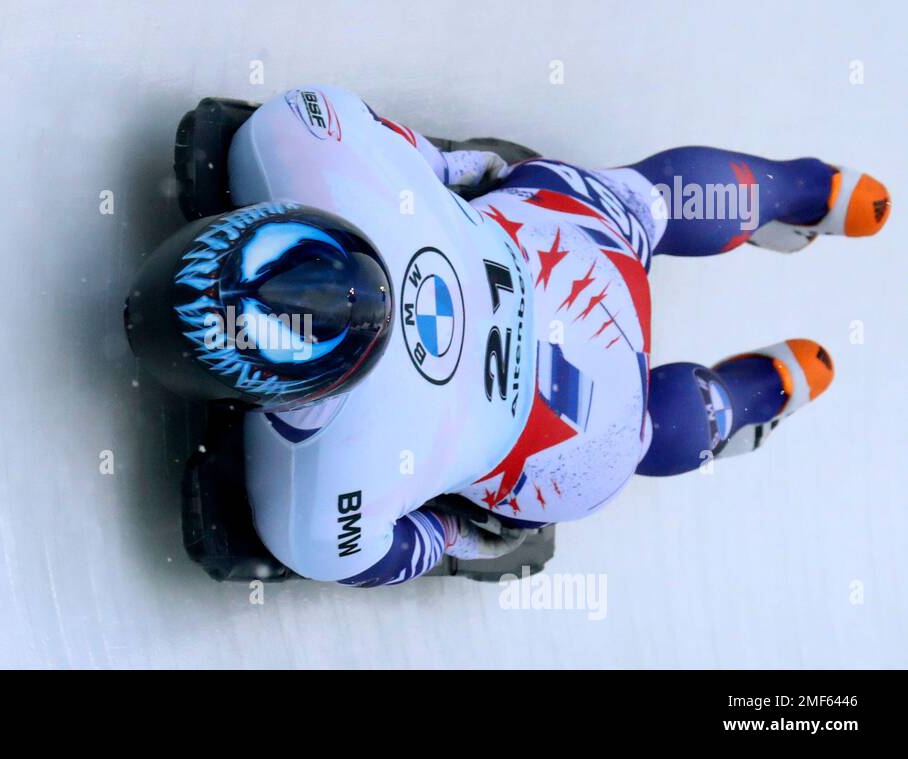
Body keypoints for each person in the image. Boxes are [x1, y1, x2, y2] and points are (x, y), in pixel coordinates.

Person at [126, 85, 890, 586]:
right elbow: (424, 155)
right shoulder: (297, 140)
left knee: (636, 432)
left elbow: (390, 549)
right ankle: (802, 192)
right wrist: (475, 177)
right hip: (562, 253)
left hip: (555, 438)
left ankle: (749, 393)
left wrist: (469, 535)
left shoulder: (326, 505)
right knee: (648, 202)